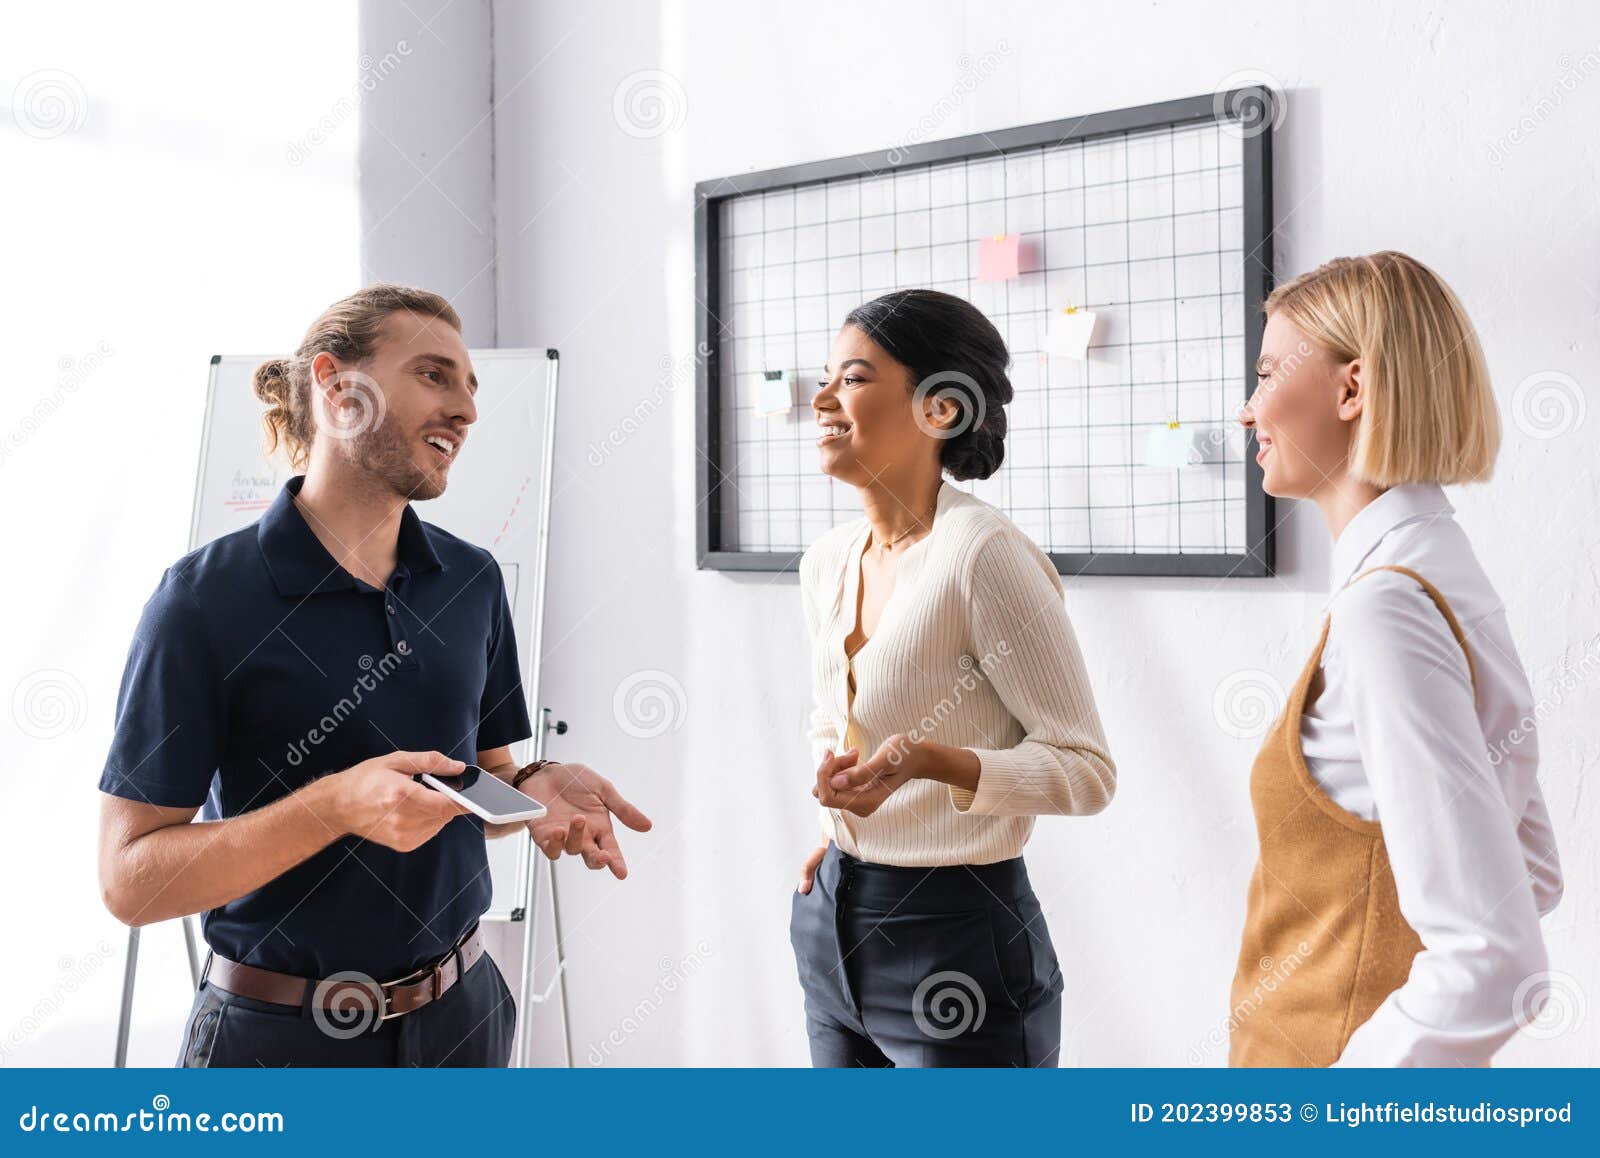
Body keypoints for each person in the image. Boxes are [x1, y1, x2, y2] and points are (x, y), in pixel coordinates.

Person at [98, 285, 651, 1067]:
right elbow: (130, 882)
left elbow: (482, 785)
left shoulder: (470, 579)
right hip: (281, 1046)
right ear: (336, 385)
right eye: (433, 375)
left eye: (469, 387)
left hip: (465, 1022)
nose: (465, 411)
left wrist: (534, 790)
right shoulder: (201, 600)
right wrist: (333, 808)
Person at [1231, 252, 1563, 1067]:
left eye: (1269, 372)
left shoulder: (1387, 610)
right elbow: (1531, 870)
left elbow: (1494, 957)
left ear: (1352, 390)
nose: (1249, 410)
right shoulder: (1436, 572)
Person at [790, 288, 1117, 1067]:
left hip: (958, 935)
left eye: (856, 378)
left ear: (939, 408)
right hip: (832, 916)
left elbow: (1087, 772)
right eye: (827, 376)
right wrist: (843, 821)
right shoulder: (828, 562)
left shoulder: (983, 554)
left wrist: (932, 762)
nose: (824, 398)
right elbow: (836, 722)